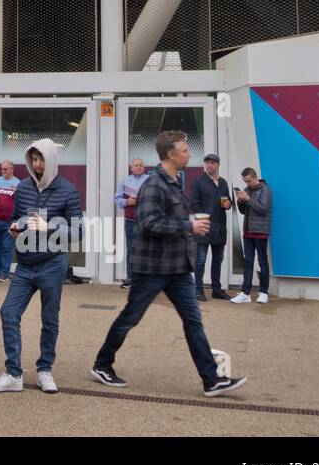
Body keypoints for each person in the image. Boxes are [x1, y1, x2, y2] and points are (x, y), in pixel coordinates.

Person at [91, 130, 247, 397]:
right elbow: (149, 222)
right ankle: (102, 364)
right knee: (131, 317)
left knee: (193, 320)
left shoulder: (175, 181)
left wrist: (190, 223)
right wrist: (189, 225)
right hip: (150, 268)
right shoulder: (153, 184)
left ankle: (211, 380)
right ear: (171, 155)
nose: (189, 154)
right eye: (185, 150)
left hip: (177, 268)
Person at [0, 139, 81, 396]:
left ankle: (44, 370)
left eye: (42, 160)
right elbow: (17, 217)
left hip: (52, 263)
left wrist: (48, 227)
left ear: (51, 161)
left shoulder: (68, 190)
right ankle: (13, 374)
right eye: (34, 160)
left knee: (50, 318)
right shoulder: (24, 188)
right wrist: (15, 227)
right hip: (25, 264)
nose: (37, 165)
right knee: (8, 313)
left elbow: (78, 231)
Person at [189, 153, 233, 300]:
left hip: (219, 228)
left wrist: (228, 204)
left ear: (218, 165)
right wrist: (206, 216)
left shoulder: (223, 183)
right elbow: (193, 204)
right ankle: (198, 290)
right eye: (207, 163)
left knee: (217, 260)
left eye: (213, 163)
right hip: (204, 226)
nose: (210, 165)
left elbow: (227, 200)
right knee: (200, 260)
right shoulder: (198, 182)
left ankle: (216, 290)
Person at [231, 168, 273, 305]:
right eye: (245, 181)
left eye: (249, 181)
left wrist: (248, 198)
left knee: (262, 261)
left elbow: (263, 209)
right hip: (248, 231)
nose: (247, 184)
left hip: (261, 231)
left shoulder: (265, 189)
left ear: (255, 177)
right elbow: (243, 211)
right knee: (248, 261)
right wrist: (240, 201)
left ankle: (263, 292)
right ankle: (245, 293)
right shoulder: (247, 189)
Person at [115, 158, 148, 289]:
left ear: (143, 167)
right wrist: (127, 202)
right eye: (136, 165)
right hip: (131, 222)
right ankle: (131, 279)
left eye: (141, 165)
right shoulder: (125, 181)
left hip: (146, 221)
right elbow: (117, 199)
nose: (139, 167)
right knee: (131, 250)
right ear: (131, 168)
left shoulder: (149, 180)